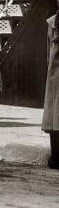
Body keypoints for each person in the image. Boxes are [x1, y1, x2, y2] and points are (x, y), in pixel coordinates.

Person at [42, 12, 59, 169]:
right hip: (55, 75)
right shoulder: (53, 23)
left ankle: (56, 157)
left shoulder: (53, 23)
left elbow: (49, 55)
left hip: (55, 75)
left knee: (55, 117)